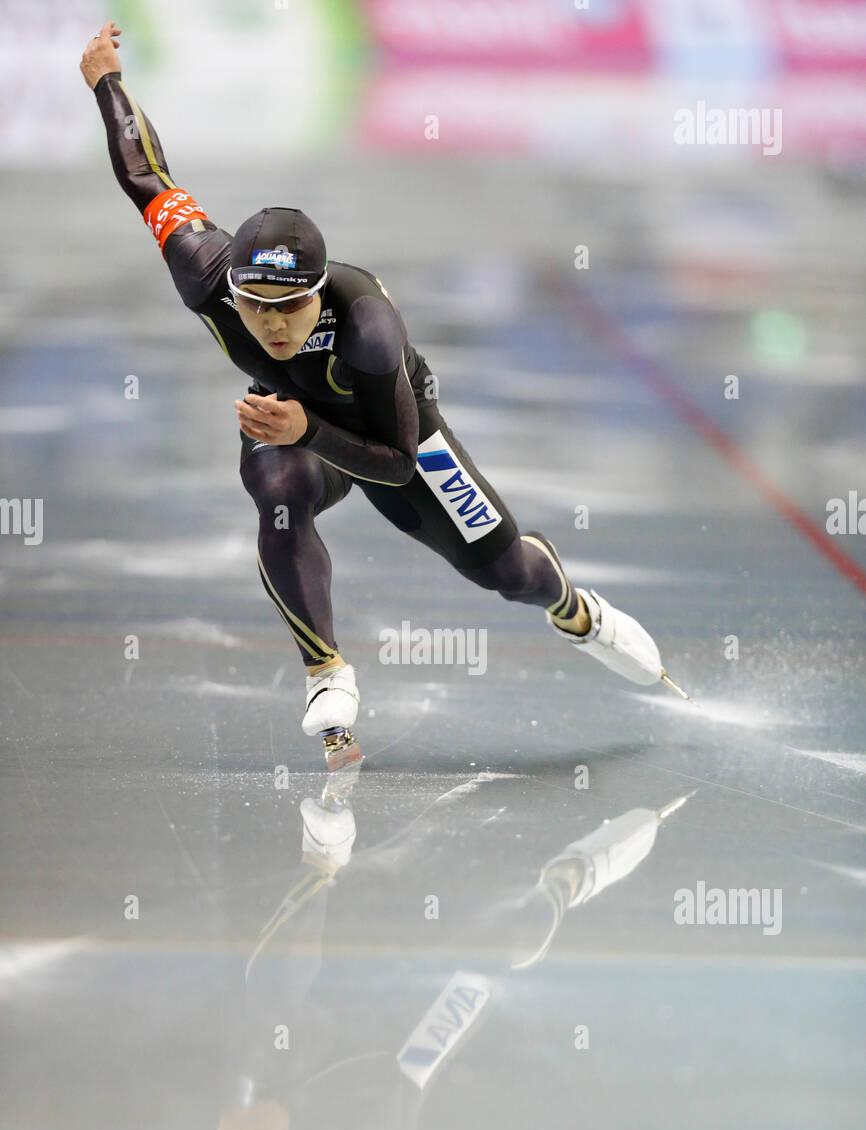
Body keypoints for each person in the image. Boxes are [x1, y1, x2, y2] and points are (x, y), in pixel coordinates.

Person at [80, 22, 688, 768]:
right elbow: (146, 175)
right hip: (295, 422)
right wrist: (107, 82)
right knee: (278, 489)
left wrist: (308, 427)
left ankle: (573, 607)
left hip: (395, 427)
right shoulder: (202, 270)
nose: (273, 325)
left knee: (508, 574)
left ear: (319, 291)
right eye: (256, 306)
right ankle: (325, 672)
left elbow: (398, 464)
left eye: (292, 306)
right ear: (230, 287)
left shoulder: (368, 324)